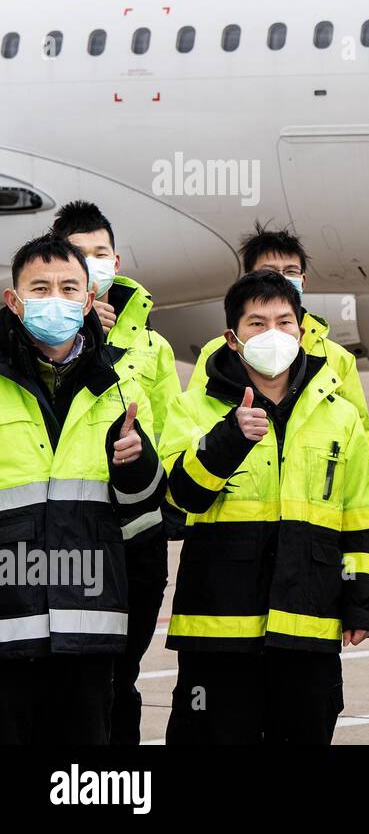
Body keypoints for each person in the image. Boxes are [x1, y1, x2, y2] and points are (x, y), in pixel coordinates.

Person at [160, 271, 369, 744]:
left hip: (308, 619)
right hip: (217, 623)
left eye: (284, 322)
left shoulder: (340, 415)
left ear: (302, 332)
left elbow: (360, 515)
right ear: (232, 338)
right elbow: (178, 498)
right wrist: (228, 438)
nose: (273, 334)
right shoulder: (194, 408)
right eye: (257, 323)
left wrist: (361, 603)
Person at [0, 235, 166, 744]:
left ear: (89, 300)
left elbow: (143, 516)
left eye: (70, 288)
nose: (57, 299)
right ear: (14, 299)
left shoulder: (122, 388)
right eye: (41, 287)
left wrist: (135, 468)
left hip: (89, 633)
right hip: (8, 629)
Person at [50, 199, 182, 745]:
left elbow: (172, 439)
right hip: (68, 543)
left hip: (135, 543)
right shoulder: (44, 336)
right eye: (80, 256)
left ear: (117, 260)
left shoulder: (151, 347)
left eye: (100, 253)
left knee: (119, 680)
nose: (93, 264)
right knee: (71, 684)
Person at [187, 223, 369, 431]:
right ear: (248, 279)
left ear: (303, 281)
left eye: (290, 271)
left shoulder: (337, 357)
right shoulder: (216, 352)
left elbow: (360, 430)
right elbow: (196, 417)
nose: (280, 279)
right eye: (269, 272)